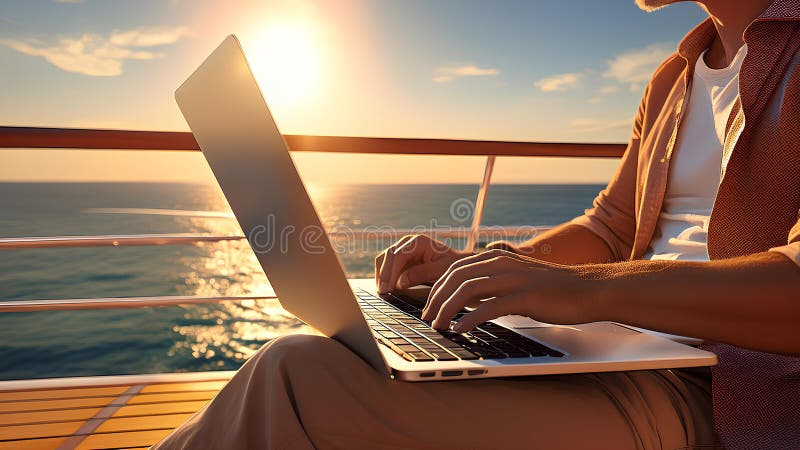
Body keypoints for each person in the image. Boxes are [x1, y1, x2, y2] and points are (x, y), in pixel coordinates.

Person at [153, 0, 800, 448]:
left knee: (298, 379)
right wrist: (498, 268)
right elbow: (611, 225)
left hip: (722, 389)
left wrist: (590, 290)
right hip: (615, 349)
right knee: (313, 364)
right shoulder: (676, 77)